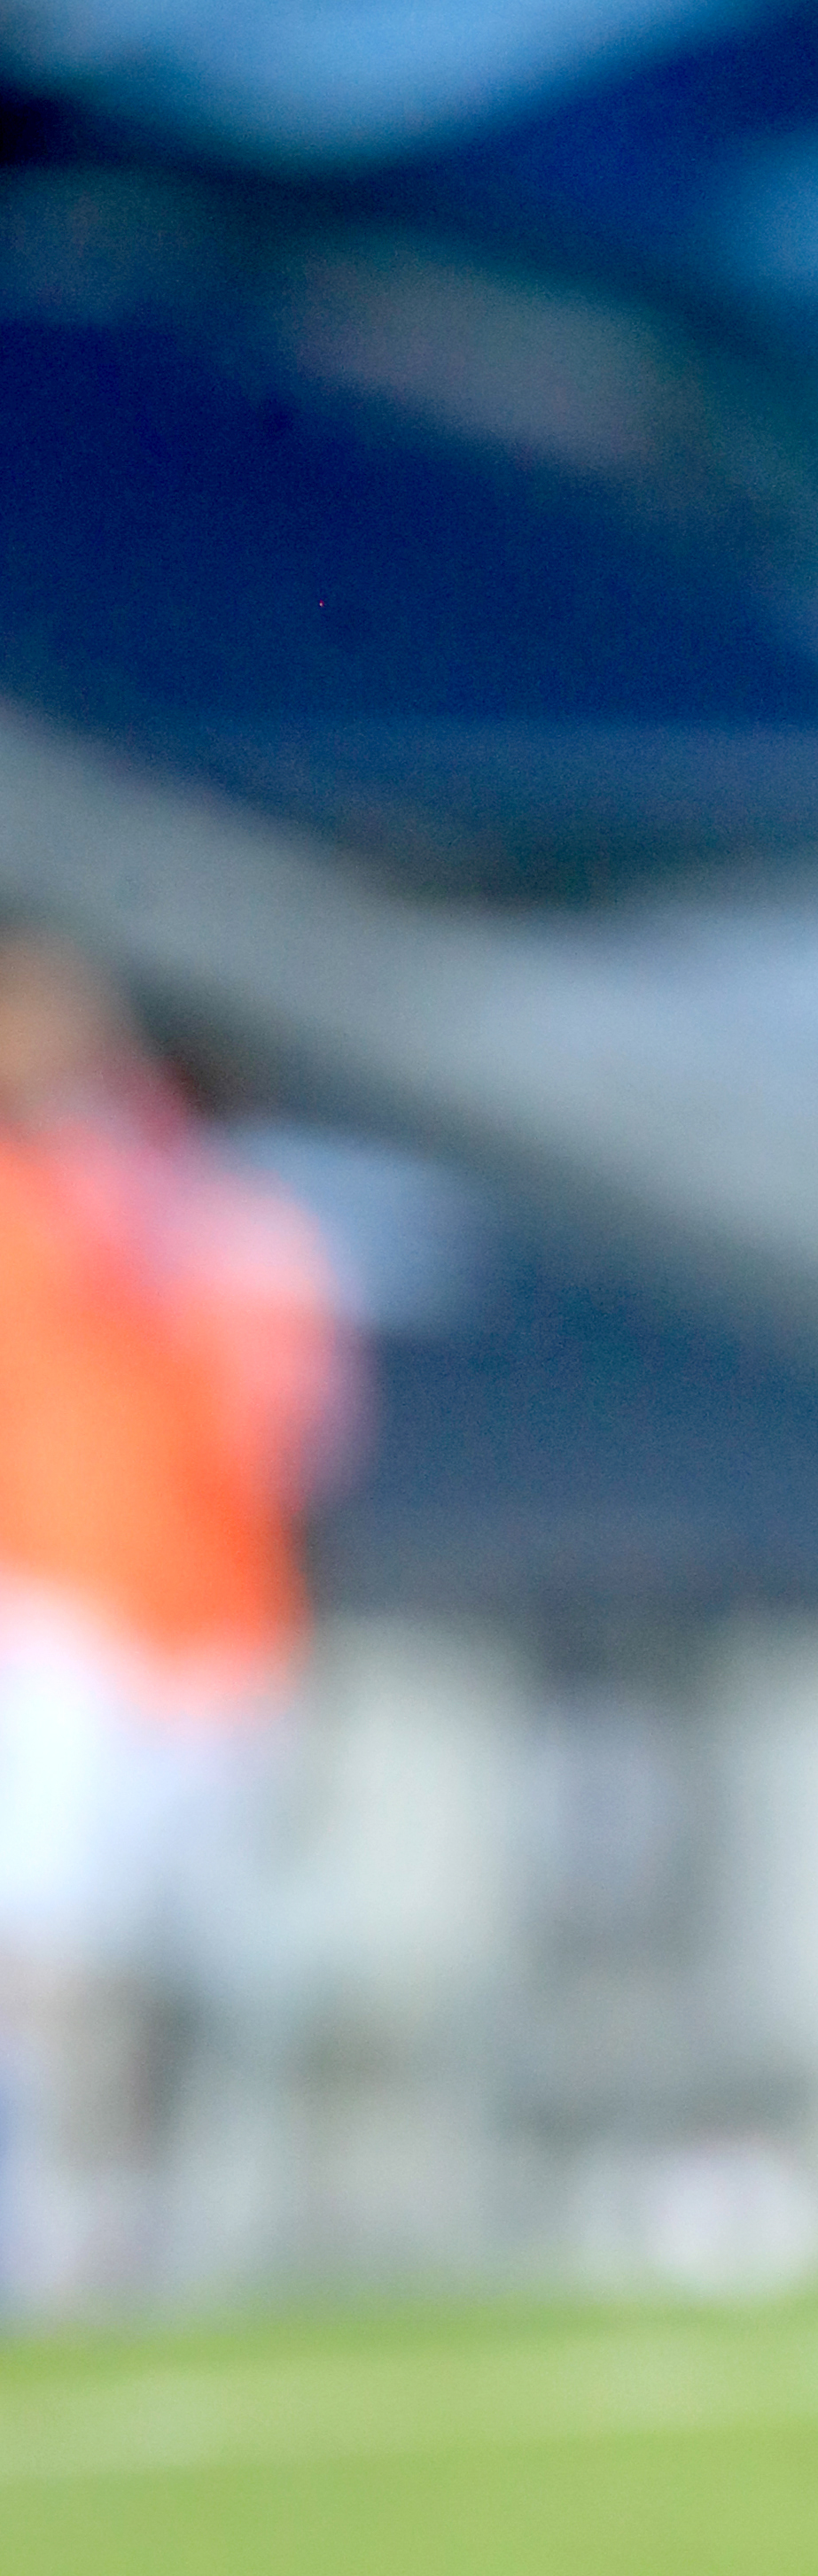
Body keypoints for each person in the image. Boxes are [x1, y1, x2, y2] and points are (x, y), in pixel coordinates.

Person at [0, 935, 355, 2311]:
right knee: (47, 1944)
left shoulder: (199, 1211)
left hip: (208, 1629)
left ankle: (145, 2235)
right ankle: (44, 2236)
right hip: (67, 1611)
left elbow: (282, 1438)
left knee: (177, 1960)